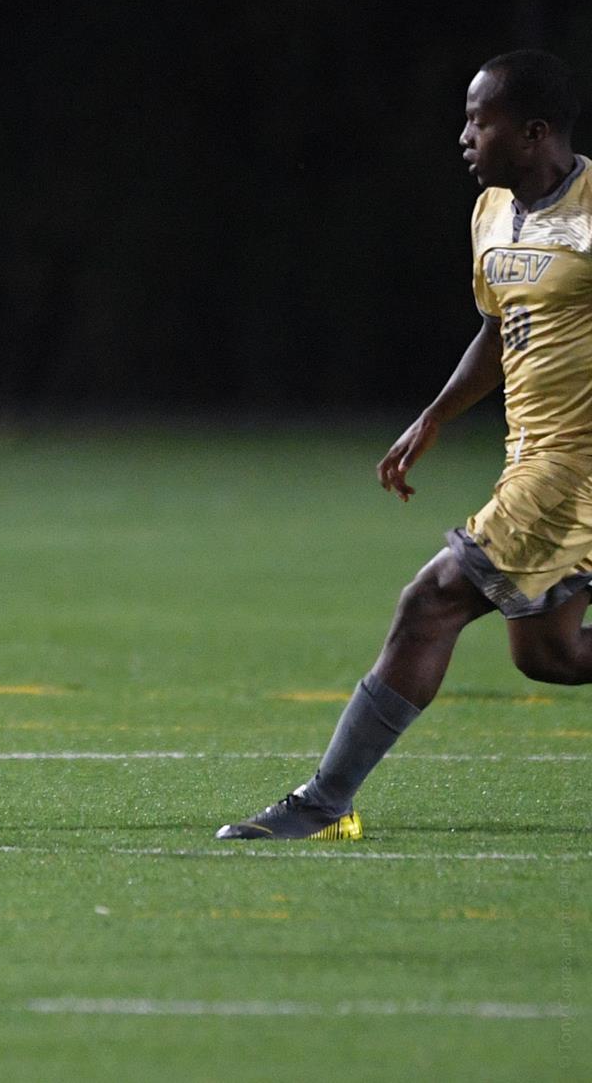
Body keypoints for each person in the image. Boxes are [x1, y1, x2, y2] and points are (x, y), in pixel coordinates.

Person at [219, 49, 592, 840]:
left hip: (575, 466)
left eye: (479, 120)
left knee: (433, 600)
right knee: (549, 654)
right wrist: (434, 415)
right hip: (529, 457)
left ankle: (324, 802)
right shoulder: (493, 212)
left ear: (533, 133)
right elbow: (499, 329)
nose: (464, 135)